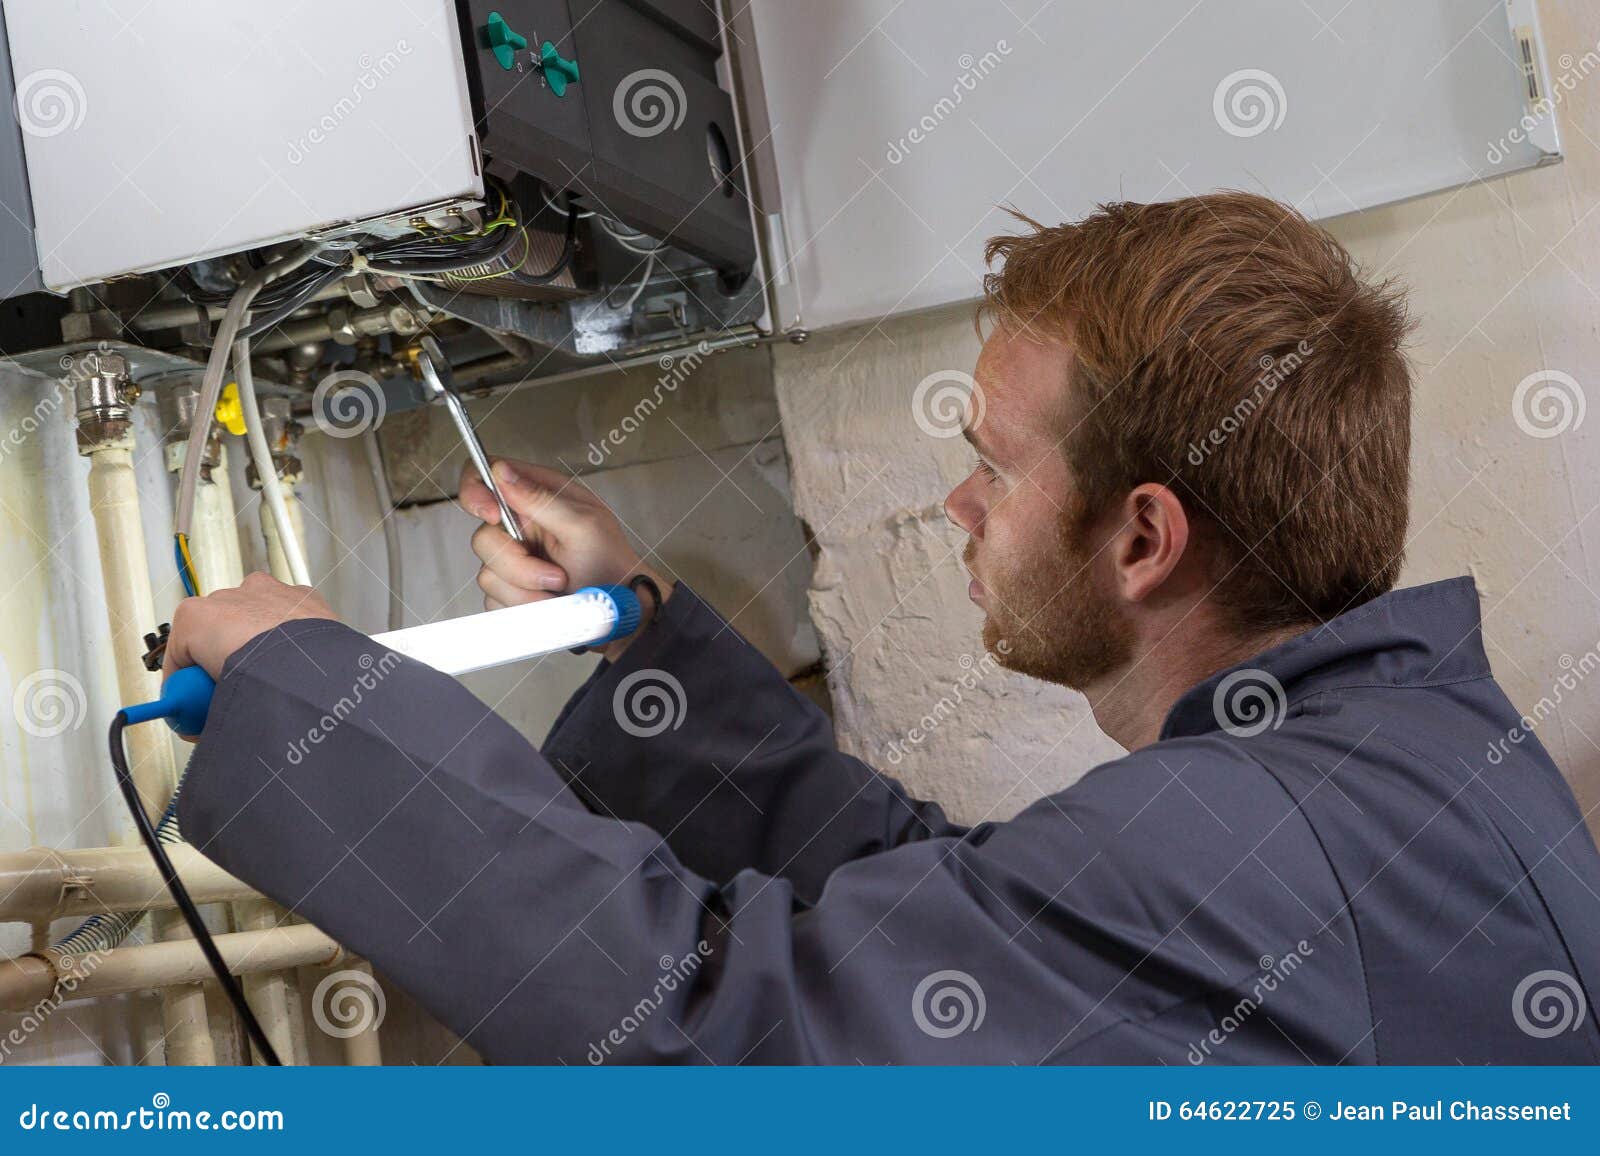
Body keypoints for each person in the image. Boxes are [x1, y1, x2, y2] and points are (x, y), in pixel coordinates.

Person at [167, 193, 1600, 1064]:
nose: (958, 507)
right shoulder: (1404, 764)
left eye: (993, 462)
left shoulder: (1249, 842)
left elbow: (718, 1039)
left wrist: (320, 699)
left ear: (1144, 538)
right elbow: (977, 918)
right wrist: (643, 637)